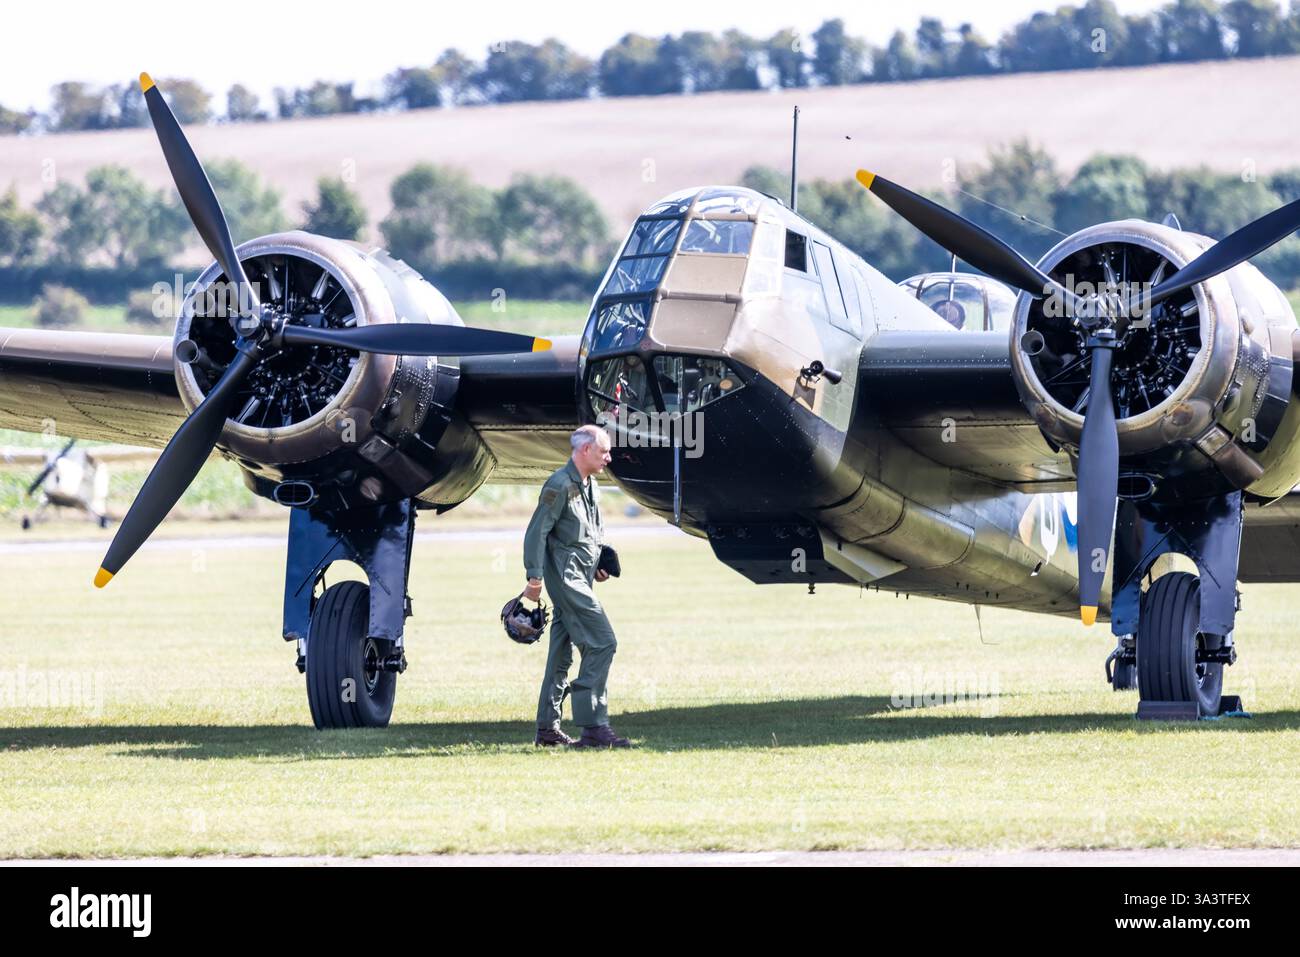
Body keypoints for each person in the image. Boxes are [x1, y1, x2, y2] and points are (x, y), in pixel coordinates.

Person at [522, 424, 630, 748]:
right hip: (566, 581)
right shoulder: (559, 485)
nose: (608, 457)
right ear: (585, 450)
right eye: (603, 451)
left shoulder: (591, 485)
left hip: (582, 578)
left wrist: (598, 563)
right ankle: (593, 726)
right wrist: (534, 578)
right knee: (602, 643)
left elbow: (590, 532)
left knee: (560, 654)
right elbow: (537, 532)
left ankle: (547, 729)